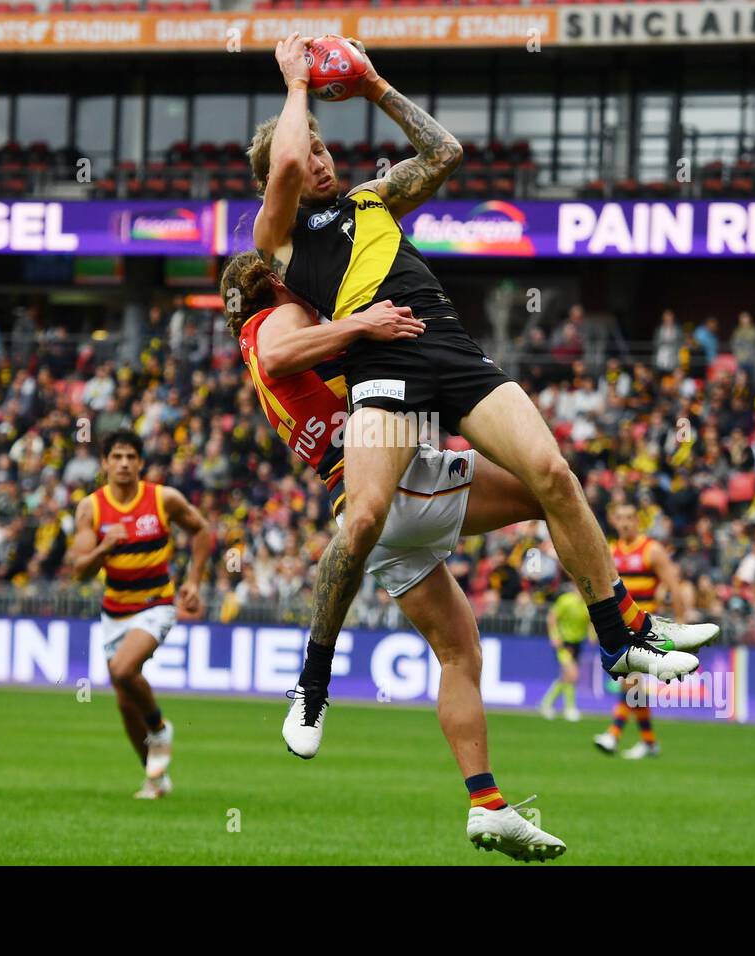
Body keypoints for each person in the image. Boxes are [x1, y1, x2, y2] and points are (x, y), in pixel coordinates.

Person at [248, 33, 705, 748]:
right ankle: (312, 684)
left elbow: (445, 154)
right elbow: (281, 160)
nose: (320, 158)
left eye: (323, 147)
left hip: (451, 348)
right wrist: (297, 81)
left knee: (552, 473)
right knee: (363, 519)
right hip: (382, 362)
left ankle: (620, 637)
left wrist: (373, 87)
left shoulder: (371, 200)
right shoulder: (277, 234)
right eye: (307, 152)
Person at [220, 252, 572, 860]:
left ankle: (485, 802)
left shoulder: (255, 340)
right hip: (392, 484)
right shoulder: (276, 322)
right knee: (554, 488)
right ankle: (621, 626)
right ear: (275, 284)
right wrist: (365, 323)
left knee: (459, 651)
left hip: (372, 514)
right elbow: (285, 353)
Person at [69, 430, 213, 799]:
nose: (124, 464)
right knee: (123, 701)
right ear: (104, 463)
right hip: (115, 610)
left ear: (141, 463)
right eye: (116, 456)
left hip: (156, 604)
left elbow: (201, 531)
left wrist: (194, 582)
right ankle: (155, 776)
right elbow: (79, 570)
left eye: (131, 457)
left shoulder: (163, 499)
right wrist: (106, 546)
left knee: (122, 670)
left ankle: (160, 729)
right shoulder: (91, 508)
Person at [594, 502, 699, 760]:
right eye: (620, 517)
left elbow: (673, 586)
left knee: (631, 680)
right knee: (633, 684)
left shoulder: (651, 550)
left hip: (644, 627)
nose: (625, 522)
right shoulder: (610, 551)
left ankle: (613, 734)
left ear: (638, 521)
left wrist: (681, 624)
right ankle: (649, 742)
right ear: (614, 521)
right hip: (619, 627)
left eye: (630, 517)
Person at [538, 582, 595, 722]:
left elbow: (590, 621)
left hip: (577, 644)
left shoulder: (588, 604)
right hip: (564, 642)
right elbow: (552, 618)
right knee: (572, 674)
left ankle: (546, 704)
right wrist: (554, 635)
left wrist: (592, 635)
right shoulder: (566, 600)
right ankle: (569, 708)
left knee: (566, 677)